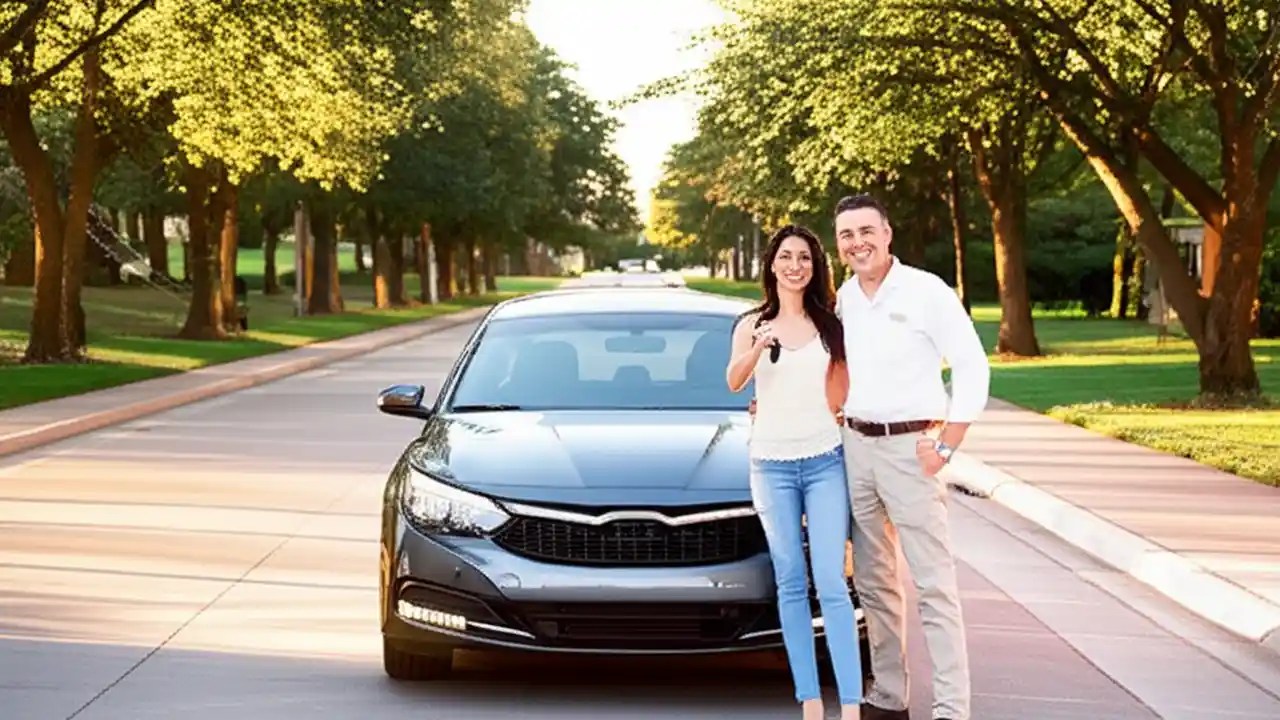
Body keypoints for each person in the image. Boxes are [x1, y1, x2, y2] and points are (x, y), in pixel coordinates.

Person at [833, 194, 990, 720]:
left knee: (934, 586)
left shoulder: (927, 291)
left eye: (865, 231)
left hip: (911, 449)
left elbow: (971, 364)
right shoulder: (844, 298)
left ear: (887, 232)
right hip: (856, 448)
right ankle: (890, 695)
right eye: (846, 235)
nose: (857, 242)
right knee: (875, 582)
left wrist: (947, 443)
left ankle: (951, 709)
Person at [726, 225, 863, 720]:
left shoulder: (831, 326)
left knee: (830, 580)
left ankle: (849, 704)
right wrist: (760, 346)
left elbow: (845, 390)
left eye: (804, 257)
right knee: (789, 580)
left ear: (814, 266)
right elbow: (734, 381)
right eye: (786, 256)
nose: (795, 265)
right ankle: (809, 699)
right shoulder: (751, 324)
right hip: (771, 467)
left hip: (825, 461)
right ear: (772, 264)